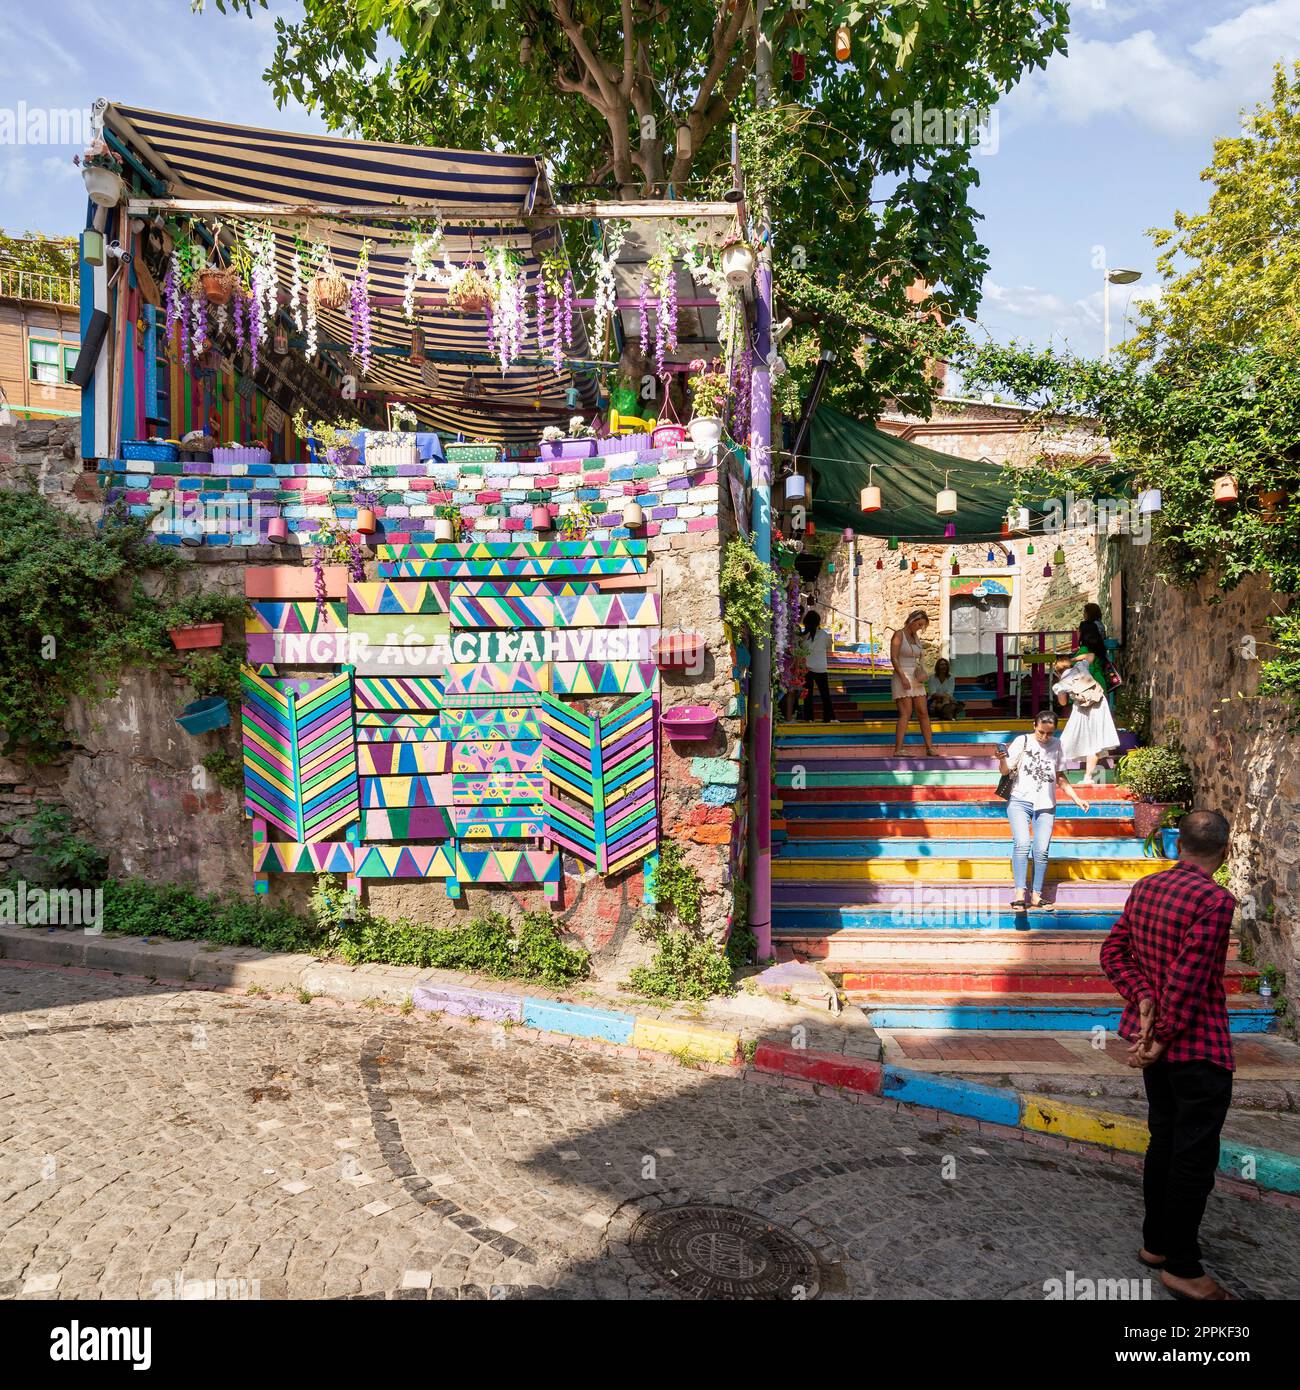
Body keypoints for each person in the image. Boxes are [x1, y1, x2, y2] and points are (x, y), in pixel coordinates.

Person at [1099, 811, 1239, 1302]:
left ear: (1178, 844)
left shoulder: (1146, 888)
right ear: (1223, 851)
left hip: (1153, 1042)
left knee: (1164, 1138)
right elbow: (1190, 975)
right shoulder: (1216, 901)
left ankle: (1156, 1243)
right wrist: (1164, 1033)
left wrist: (1141, 998)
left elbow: (1114, 952)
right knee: (1193, 1157)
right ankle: (1181, 1265)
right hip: (1196, 1047)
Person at [996, 709, 1089, 909]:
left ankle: (1036, 895)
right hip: (1019, 800)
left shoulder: (1057, 745)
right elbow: (1005, 770)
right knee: (1022, 844)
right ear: (1034, 726)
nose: (1045, 737)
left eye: (1050, 733)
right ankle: (1020, 893)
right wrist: (1001, 758)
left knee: (1041, 850)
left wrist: (1076, 798)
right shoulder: (1022, 741)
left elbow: (1060, 776)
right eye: (1041, 732)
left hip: (1046, 804)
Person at [1054, 653, 1119, 784]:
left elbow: (1063, 703)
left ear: (1057, 671)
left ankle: (1054, 772)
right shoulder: (1080, 666)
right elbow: (1091, 656)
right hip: (1098, 704)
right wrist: (1072, 660)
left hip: (1082, 710)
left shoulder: (1061, 683)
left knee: (1067, 739)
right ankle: (1088, 778)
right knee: (1095, 743)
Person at [890, 609, 937, 756]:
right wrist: (903, 677)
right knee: (906, 713)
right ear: (912, 620)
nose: (920, 628)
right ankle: (898, 749)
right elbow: (894, 658)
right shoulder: (899, 634)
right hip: (901, 674)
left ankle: (929, 747)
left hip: (915, 676)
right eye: (919, 624)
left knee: (923, 712)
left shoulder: (915, 637)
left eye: (923, 626)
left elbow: (919, 657)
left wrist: (923, 672)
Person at [801, 611, 835, 723]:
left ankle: (809, 717)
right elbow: (829, 646)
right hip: (821, 667)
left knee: (807, 694)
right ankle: (828, 717)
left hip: (807, 668)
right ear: (818, 622)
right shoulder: (824, 634)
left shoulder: (803, 636)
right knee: (825, 694)